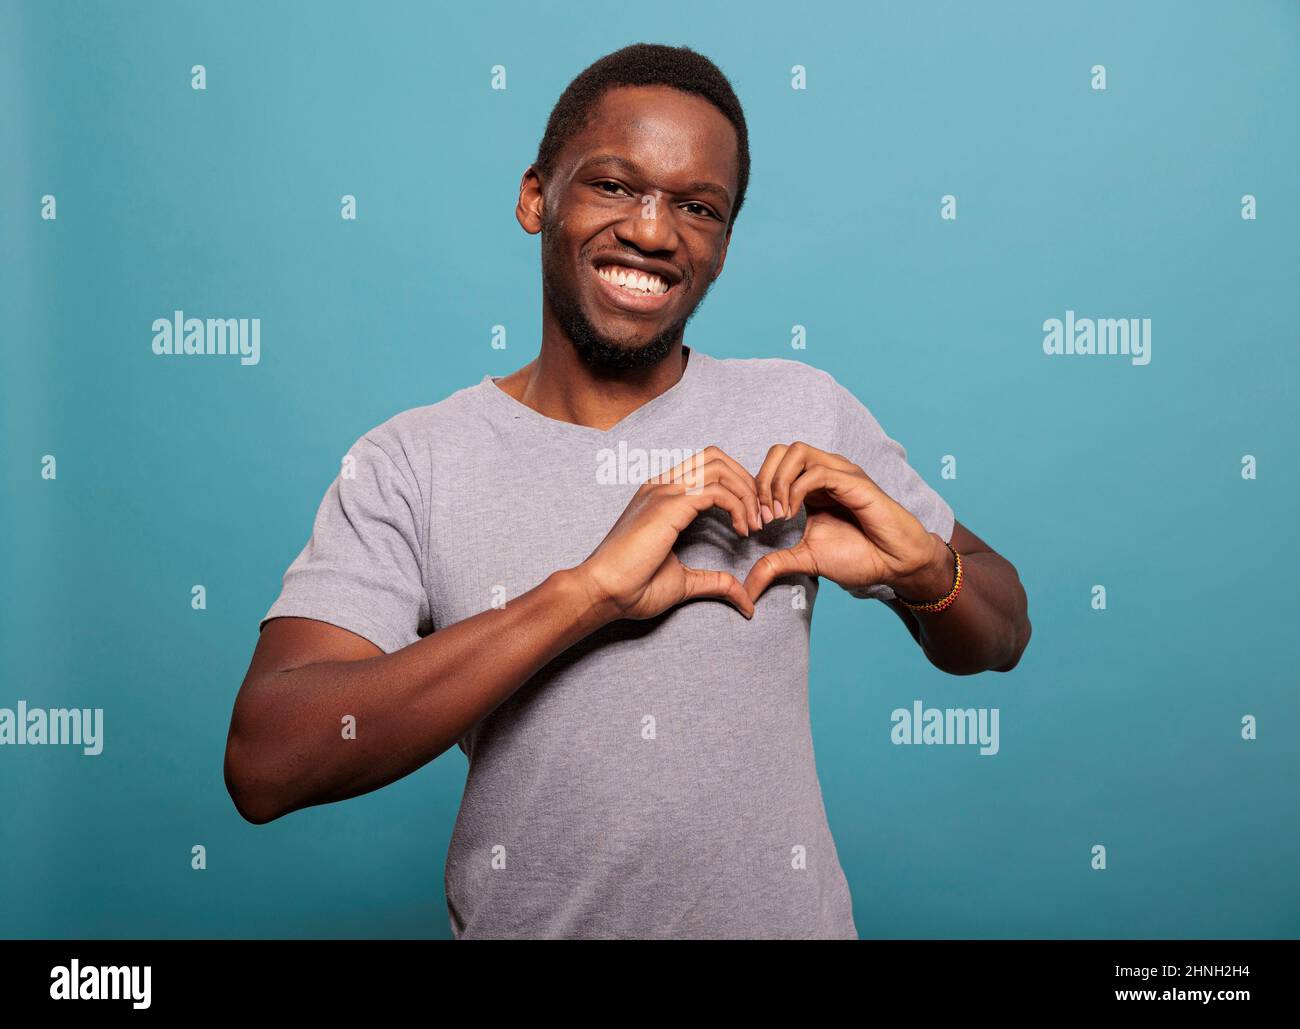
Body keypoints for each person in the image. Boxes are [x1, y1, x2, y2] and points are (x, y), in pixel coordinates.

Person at [223, 42, 1031, 940]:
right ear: (538, 197)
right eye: (614, 185)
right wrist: (589, 592)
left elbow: (1001, 629)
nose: (653, 232)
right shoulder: (411, 461)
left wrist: (930, 577)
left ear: (723, 244)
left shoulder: (798, 411)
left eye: (698, 207)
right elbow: (267, 761)